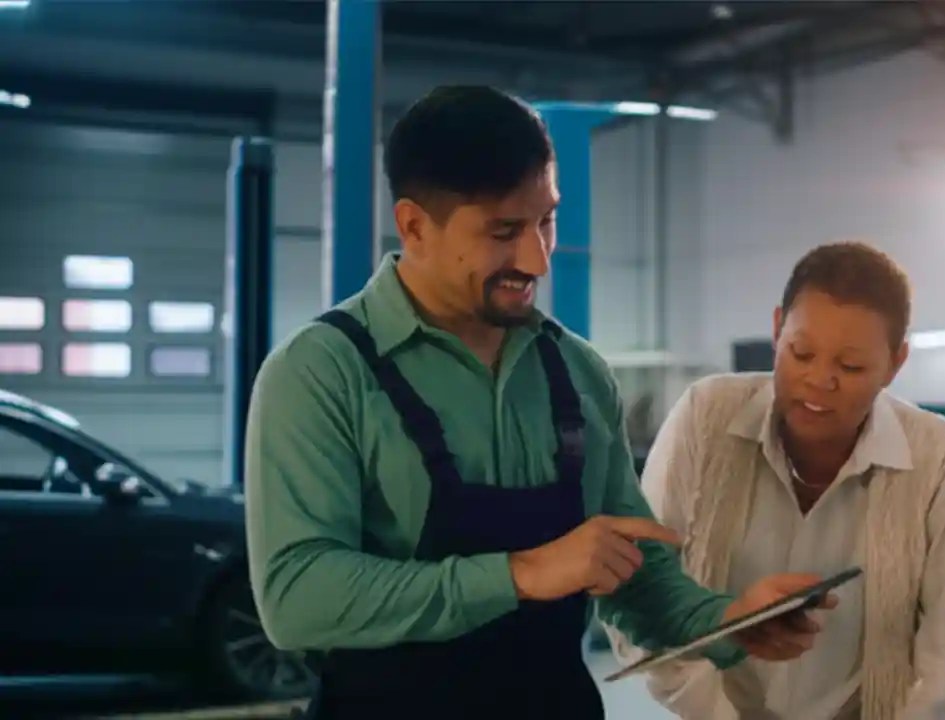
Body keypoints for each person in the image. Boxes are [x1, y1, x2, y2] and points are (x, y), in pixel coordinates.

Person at [243, 86, 834, 720]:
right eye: (504, 230)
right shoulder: (321, 374)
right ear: (415, 225)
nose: (537, 257)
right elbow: (298, 598)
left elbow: (632, 572)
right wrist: (521, 573)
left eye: (546, 220)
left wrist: (725, 620)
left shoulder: (575, 370)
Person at [608, 241, 945, 720]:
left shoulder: (943, 462)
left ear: (895, 364)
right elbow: (641, 586)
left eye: (850, 366)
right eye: (801, 352)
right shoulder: (704, 419)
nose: (819, 380)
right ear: (776, 330)